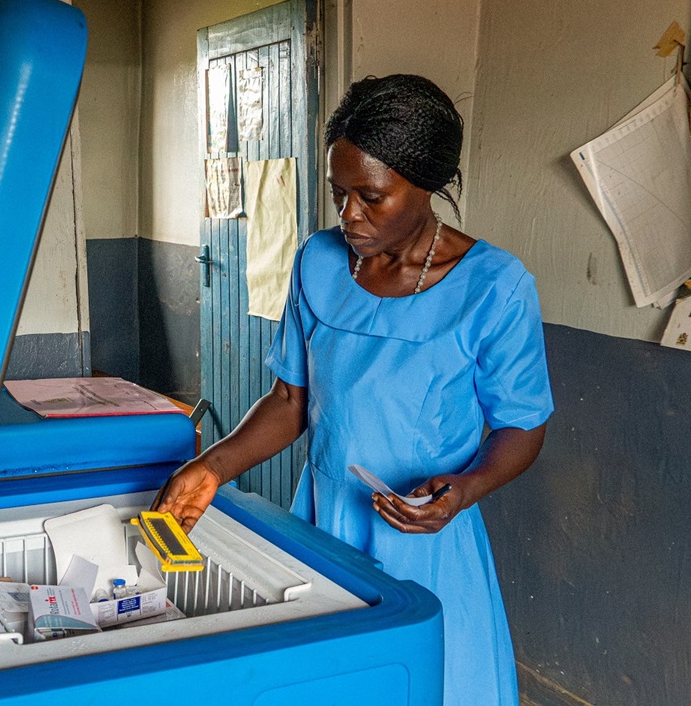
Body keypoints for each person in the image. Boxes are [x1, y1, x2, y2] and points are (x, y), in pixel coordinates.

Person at [155, 74, 553, 706]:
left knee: (423, 684)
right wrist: (213, 466)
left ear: (426, 184)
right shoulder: (318, 261)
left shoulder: (494, 287)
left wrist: (467, 488)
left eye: (371, 196)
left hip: (423, 535)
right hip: (324, 523)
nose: (348, 215)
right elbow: (291, 401)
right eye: (339, 193)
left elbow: (522, 425)